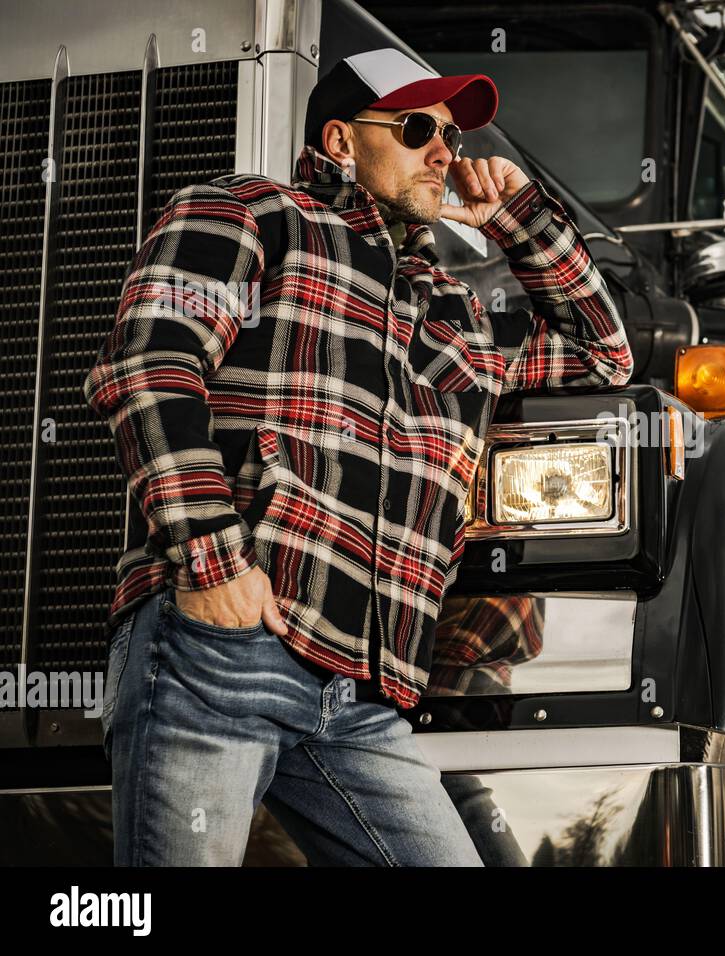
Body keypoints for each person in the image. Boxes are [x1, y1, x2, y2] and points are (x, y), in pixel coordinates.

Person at [83, 47, 633, 866]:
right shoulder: (251, 212)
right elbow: (148, 365)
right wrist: (213, 563)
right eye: (418, 130)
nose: (444, 152)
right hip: (224, 649)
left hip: (364, 696)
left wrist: (523, 217)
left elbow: (605, 353)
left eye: (449, 134)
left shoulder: (457, 315)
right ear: (341, 142)